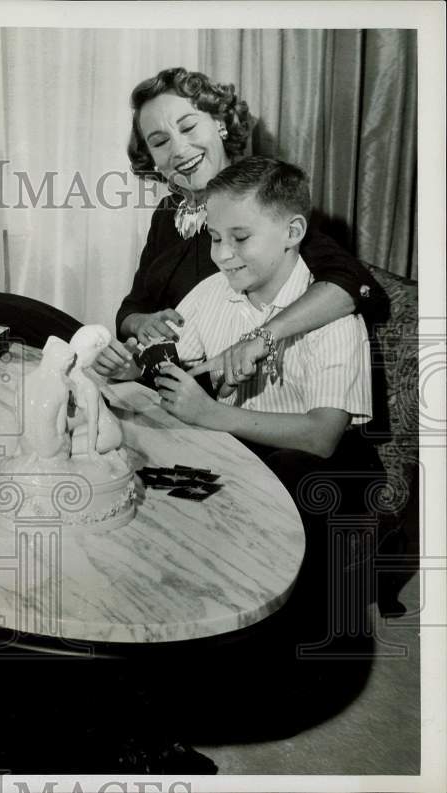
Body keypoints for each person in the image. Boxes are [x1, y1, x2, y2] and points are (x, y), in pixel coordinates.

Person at [108, 155, 380, 647]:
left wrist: (211, 414)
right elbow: (172, 362)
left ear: (293, 231)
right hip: (248, 443)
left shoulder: (336, 318)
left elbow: (323, 436)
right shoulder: (215, 291)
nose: (222, 254)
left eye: (240, 238)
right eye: (214, 237)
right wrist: (132, 367)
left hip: (325, 462)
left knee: (293, 475)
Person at [94, 67, 385, 385]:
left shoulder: (259, 198)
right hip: (154, 373)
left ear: (219, 124)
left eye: (189, 127)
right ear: (151, 159)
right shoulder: (167, 214)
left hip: (217, 388)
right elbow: (130, 309)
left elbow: (356, 284)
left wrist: (262, 338)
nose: (178, 149)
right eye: (161, 142)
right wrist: (143, 323)